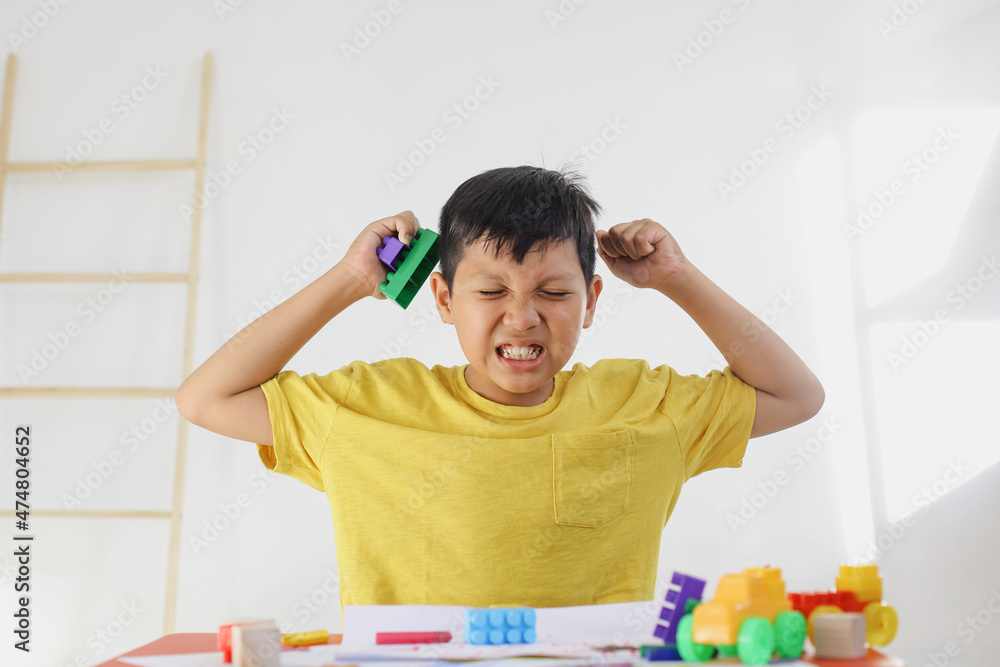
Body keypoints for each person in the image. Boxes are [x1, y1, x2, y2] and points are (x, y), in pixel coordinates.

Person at [176, 165, 824, 621]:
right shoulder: (367, 406)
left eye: (553, 291)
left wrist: (677, 277)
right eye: (490, 292)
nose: (521, 317)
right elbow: (204, 397)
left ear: (592, 300)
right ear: (442, 299)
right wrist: (350, 279)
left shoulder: (644, 403)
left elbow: (797, 395)